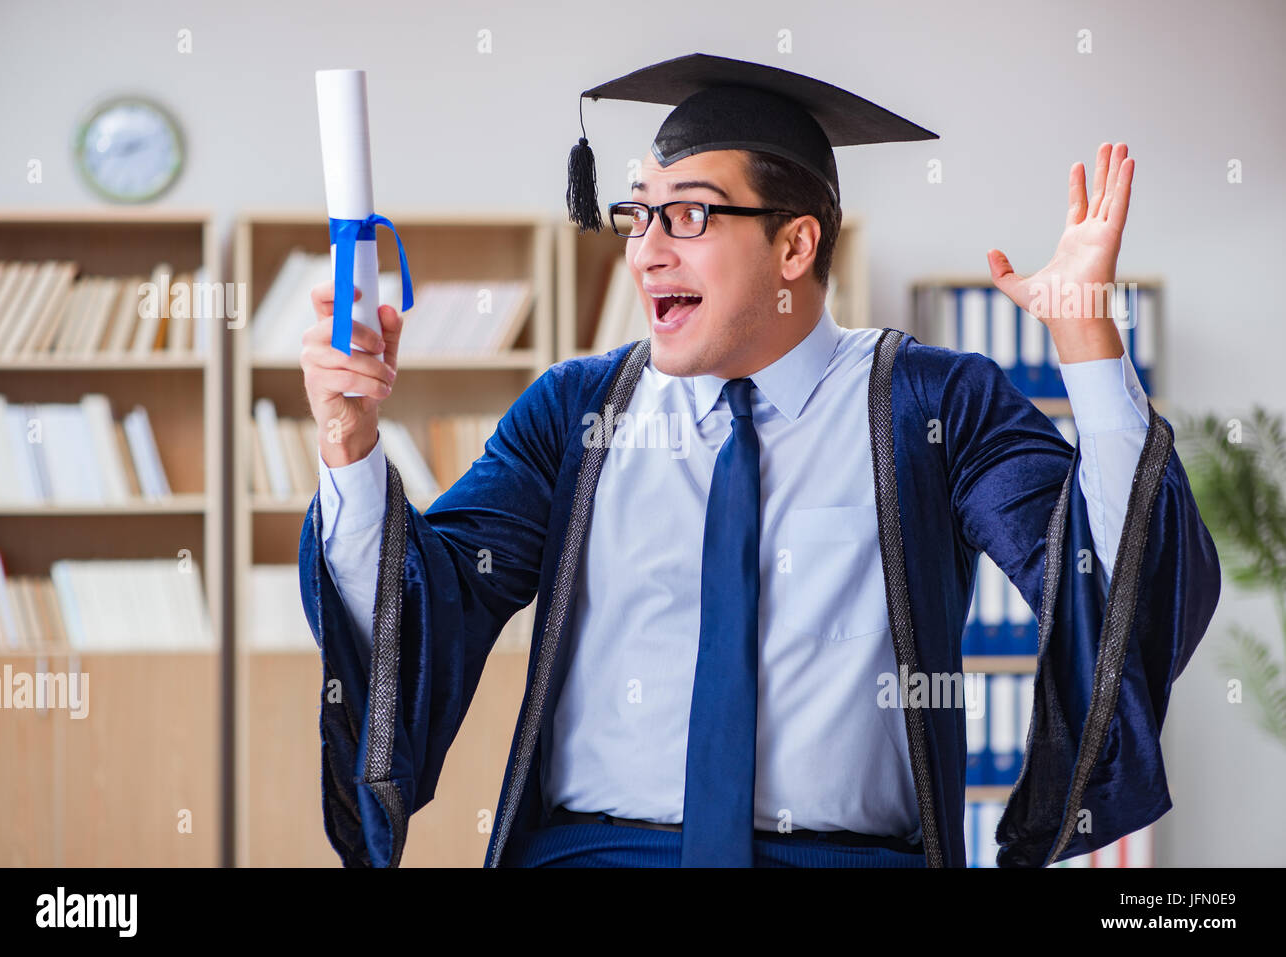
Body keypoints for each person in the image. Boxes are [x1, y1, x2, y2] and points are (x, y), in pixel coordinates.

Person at [297, 53, 1221, 868]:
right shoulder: (575, 412)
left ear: (795, 244)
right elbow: (419, 608)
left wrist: (1091, 346)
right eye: (637, 215)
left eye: (688, 215)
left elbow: (1114, 590)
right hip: (598, 856)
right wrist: (348, 446)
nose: (647, 251)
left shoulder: (936, 404)